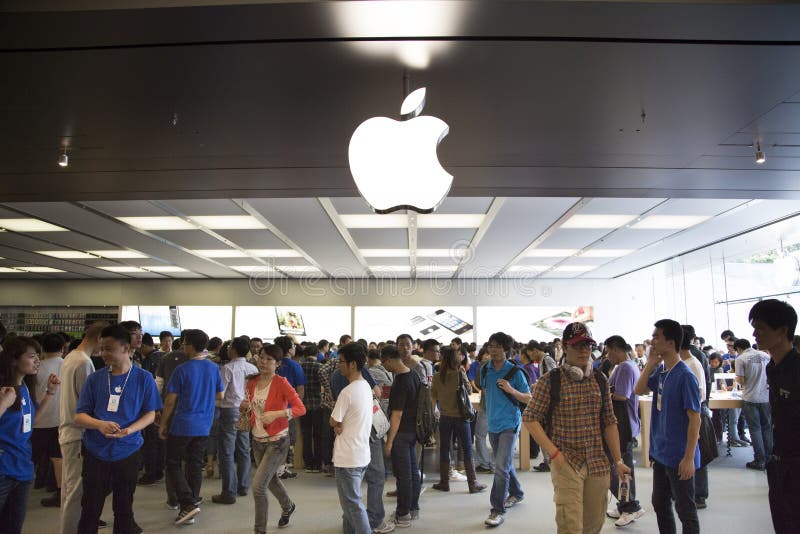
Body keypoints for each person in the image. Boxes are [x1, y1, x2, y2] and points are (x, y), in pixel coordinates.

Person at [523, 324, 629, 534]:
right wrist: (554, 454)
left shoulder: (600, 380)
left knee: (593, 525)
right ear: (564, 347)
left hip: (598, 464)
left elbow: (609, 422)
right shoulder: (550, 381)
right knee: (570, 525)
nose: (583, 350)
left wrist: (618, 461)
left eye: (587, 345)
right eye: (577, 346)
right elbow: (530, 418)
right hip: (567, 463)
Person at [74, 324, 161, 534]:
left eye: (109, 349)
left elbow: (151, 414)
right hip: (96, 451)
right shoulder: (95, 378)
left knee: (123, 507)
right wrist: (99, 424)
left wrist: (130, 430)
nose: (103, 353)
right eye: (102, 348)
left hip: (128, 450)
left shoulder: (143, 378)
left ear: (125, 348)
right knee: (90, 508)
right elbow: (79, 416)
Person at [634, 319, 701, 534]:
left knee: (685, 509)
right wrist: (651, 363)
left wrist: (689, 457)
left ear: (670, 343)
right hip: (661, 453)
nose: (652, 341)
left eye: (656, 337)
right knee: (660, 503)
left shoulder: (685, 376)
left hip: (679, 455)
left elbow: (695, 419)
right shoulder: (663, 372)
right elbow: (639, 389)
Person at [159, 329, 224, 526]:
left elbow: (170, 401)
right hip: (204, 425)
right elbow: (220, 396)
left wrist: (162, 424)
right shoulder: (213, 368)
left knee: (173, 463)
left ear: (191, 346)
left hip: (182, 424)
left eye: (185, 343)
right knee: (195, 464)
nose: (183, 347)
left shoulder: (183, 369)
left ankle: (186, 503)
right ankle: (193, 503)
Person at [748, 299, 800, 533]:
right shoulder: (772, 367)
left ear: (782, 331)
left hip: (796, 463)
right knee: (782, 521)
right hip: (778, 462)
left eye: (760, 328)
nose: (755, 334)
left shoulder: (796, 369)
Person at [0, 336, 60, 534]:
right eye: (32, 356)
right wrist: (4, 403)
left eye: (38, 356)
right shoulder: (4, 392)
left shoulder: (25, 387)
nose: (37, 361)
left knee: (13, 526)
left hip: (23, 468)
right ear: (13, 359)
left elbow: (31, 421)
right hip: (3, 469)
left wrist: (50, 393)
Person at [243, 344, 305, 534]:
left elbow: (300, 408)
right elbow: (253, 408)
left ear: (278, 364)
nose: (263, 362)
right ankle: (288, 506)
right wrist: (244, 406)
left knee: (258, 487)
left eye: (269, 359)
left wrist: (278, 414)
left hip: (277, 441)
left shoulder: (281, 383)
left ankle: (259, 529)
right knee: (270, 481)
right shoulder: (251, 382)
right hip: (257, 438)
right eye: (261, 357)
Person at [59, 320, 107, 534]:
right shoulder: (84, 362)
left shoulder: (70, 357)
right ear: (99, 339)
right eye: (105, 344)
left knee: (70, 489)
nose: (104, 350)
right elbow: (88, 403)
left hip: (68, 430)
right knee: (76, 492)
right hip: (78, 433)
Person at [480, 332, 531, 528]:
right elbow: (485, 391)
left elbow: (528, 397)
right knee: (505, 463)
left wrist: (511, 390)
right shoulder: (486, 370)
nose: (493, 350)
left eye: (497, 346)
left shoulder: (515, 372)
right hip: (493, 424)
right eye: (490, 346)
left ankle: (497, 510)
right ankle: (517, 493)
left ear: (506, 349)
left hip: (510, 424)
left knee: (500, 467)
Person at [430, 346, 487, 494]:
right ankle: (472, 483)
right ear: (455, 358)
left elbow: (433, 396)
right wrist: (463, 375)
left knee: (445, 449)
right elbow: (468, 391)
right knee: (467, 448)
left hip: (444, 417)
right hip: (461, 418)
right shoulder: (459, 374)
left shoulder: (437, 376)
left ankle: (444, 482)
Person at [330, 342, 374, 534]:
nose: (338, 365)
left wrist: (336, 424)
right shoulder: (365, 386)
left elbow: (333, 420)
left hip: (348, 457)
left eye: (341, 361)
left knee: (353, 506)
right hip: (361, 454)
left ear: (353, 364)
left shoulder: (347, 392)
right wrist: (339, 424)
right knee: (349, 507)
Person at [603, 335, 644, 527]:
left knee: (621, 468)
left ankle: (631, 507)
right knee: (620, 466)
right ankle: (624, 504)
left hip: (623, 425)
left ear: (617, 349)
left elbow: (621, 395)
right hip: (624, 423)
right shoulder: (627, 366)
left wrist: (604, 393)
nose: (608, 355)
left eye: (609, 351)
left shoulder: (626, 367)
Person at [213, 336, 258, 504]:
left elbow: (221, 393)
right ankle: (243, 486)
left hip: (230, 411)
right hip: (246, 410)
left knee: (226, 451)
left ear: (234, 349)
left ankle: (228, 491)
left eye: (230, 345)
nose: (228, 348)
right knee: (244, 449)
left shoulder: (227, 368)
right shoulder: (252, 368)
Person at [382, 343, 421, 528]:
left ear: (390, 359)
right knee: (413, 472)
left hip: (401, 433)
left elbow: (396, 415)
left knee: (403, 475)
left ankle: (402, 513)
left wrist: (389, 442)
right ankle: (413, 508)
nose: (384, 366)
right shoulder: (413, 374)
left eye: (384, 362)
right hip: (413, 431)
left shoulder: (400, 381)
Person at [31, 333, 65, 507]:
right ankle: (60, 493)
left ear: (42, 348)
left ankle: (19, 487)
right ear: (62, 348)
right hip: (60, 420)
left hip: (37, 420)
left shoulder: (36, 366)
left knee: (30, 457)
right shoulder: (68, 365)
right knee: (58, 458)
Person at [732, 338, 772, 470]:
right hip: (766, 397)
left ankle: (759, 460)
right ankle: (769, 459)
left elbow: (742, 380)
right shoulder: (765, 355)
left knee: (755, 429)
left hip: (750, 398)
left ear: (738, 349)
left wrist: (737, 379)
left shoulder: (741, 359)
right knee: (767, 428)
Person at [300, 343, 324, 473]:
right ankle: (318, 463)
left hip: (303, 405)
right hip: (317, 404)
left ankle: (308, 463)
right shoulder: (320, 367)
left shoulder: (300, 367)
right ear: (316, 354)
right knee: (318, 435)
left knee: (306, 434)